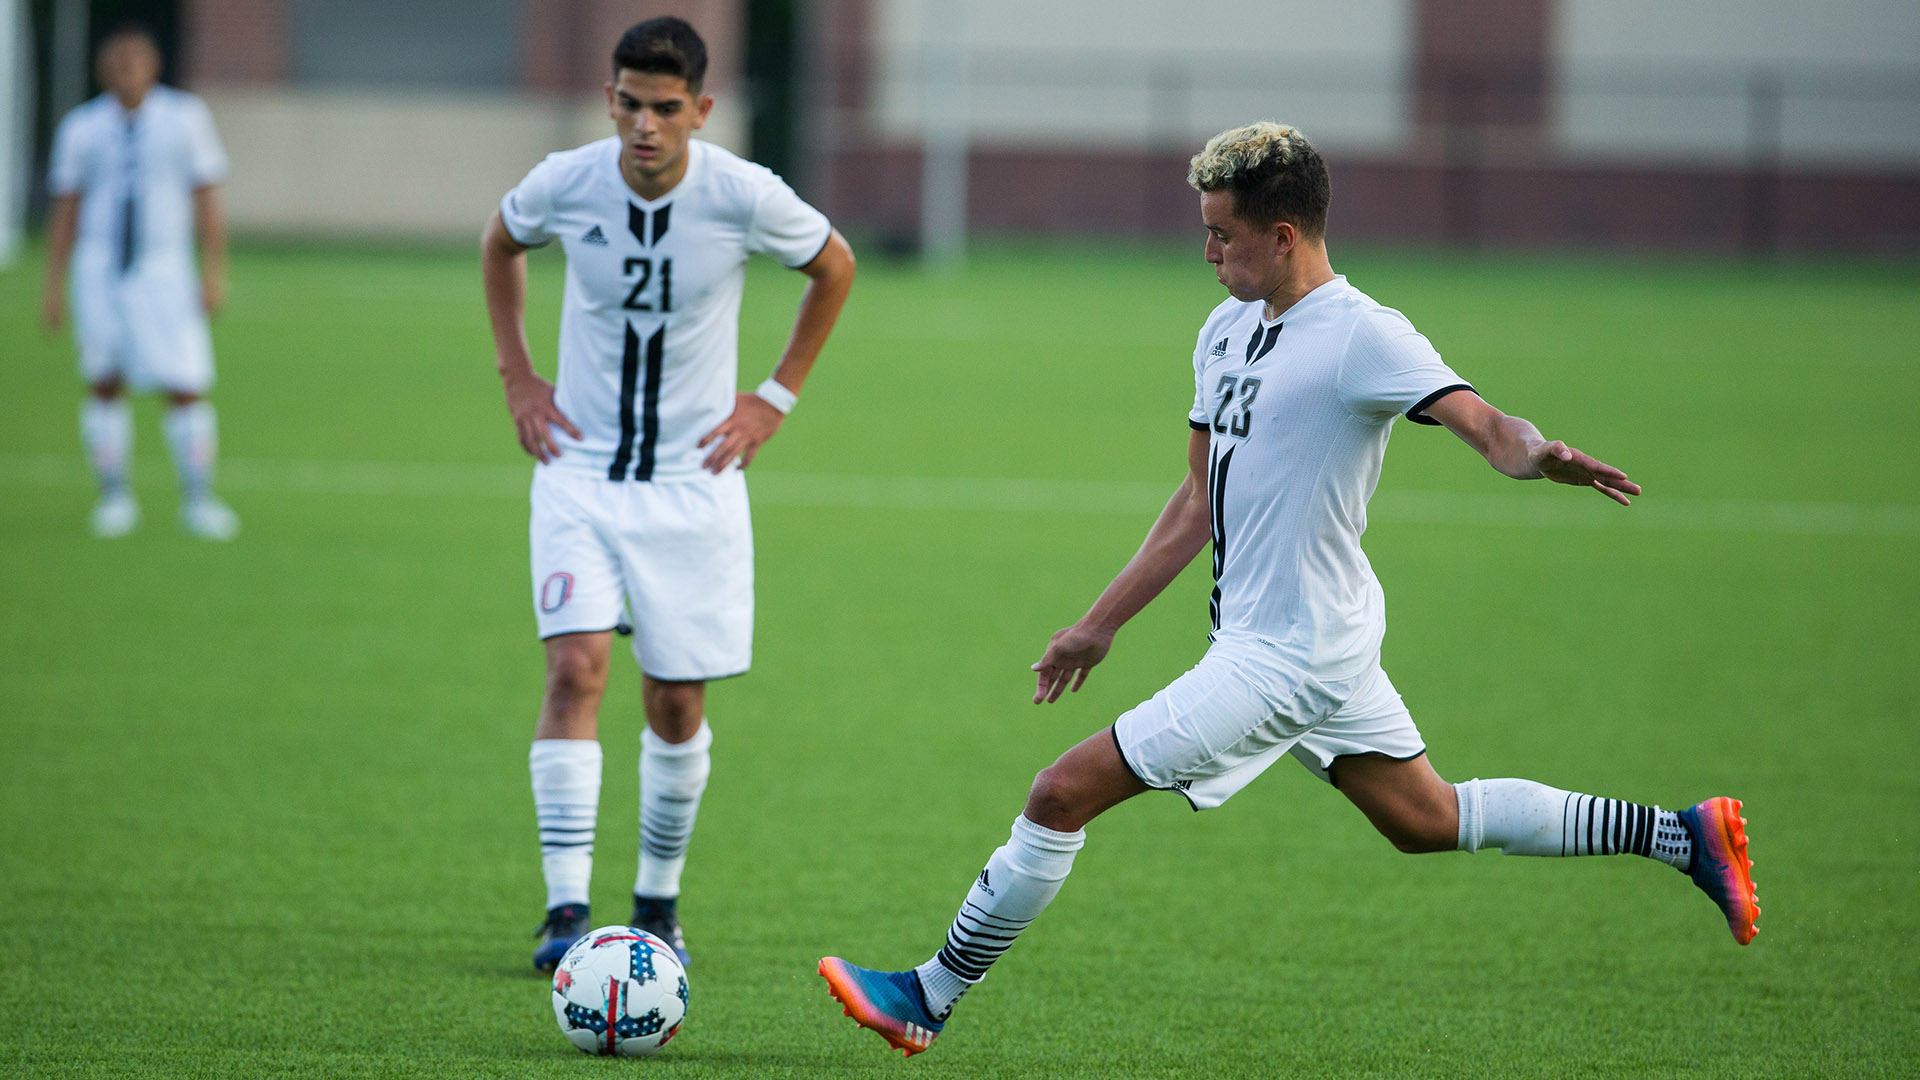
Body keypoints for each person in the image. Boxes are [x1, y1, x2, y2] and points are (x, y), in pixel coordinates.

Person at [818, 122, 1757, 1057]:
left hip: (1289, 657)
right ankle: (1684, 835)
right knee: (1427, 821)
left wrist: (1536, 454)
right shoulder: (1226, 331)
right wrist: (1097, 626)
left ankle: (928, 996)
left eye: (1223, 234)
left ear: (1285, 235)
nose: (1208, 250)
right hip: (1309, 638)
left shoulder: (1362, 336)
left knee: (1061, 792)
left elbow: (1485, 422)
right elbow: (1198, 498)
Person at [481, 17, 855, 972]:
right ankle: (565, 912)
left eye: (665, 108)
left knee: (675, 703)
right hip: (580, 472)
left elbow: (834, 267)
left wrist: (773, 398)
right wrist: (518, 376)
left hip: (695, 485)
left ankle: (656, 902)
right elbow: (501, 241)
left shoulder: (741, 194)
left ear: (701, 109)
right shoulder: (569, 179)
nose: (644, 126)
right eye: (630, 105)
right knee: (574, 671)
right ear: (610, 100)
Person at [41, 21, 237, 540]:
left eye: (136, 60)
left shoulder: (185, 119)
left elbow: (208, 200)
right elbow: (65, 210)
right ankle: (114, 496)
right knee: (105, 380)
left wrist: (214, 271)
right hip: (101, 268)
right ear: (103, 70)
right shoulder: (82, 128)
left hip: (164, 267)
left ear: (154, 66)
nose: (126, 70)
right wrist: (52, 287)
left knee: (186, 383)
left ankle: (198, 497)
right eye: (117, 61)